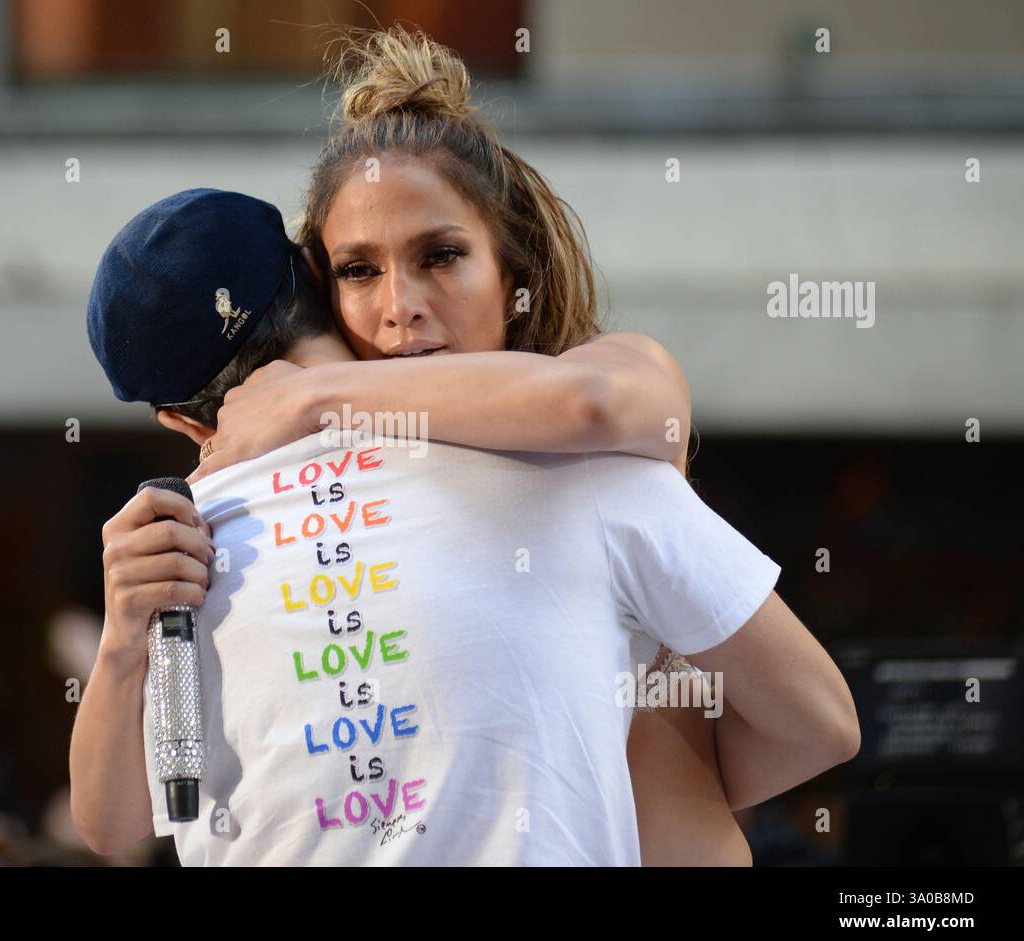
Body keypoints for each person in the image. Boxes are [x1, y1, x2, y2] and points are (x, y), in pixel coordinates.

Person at [71, 188, 860, 864]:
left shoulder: (170, 558)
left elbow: (114, 828)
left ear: (177, 420)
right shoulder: (584, 465)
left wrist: (119, 639)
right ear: (316, 277)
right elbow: (820, 723)